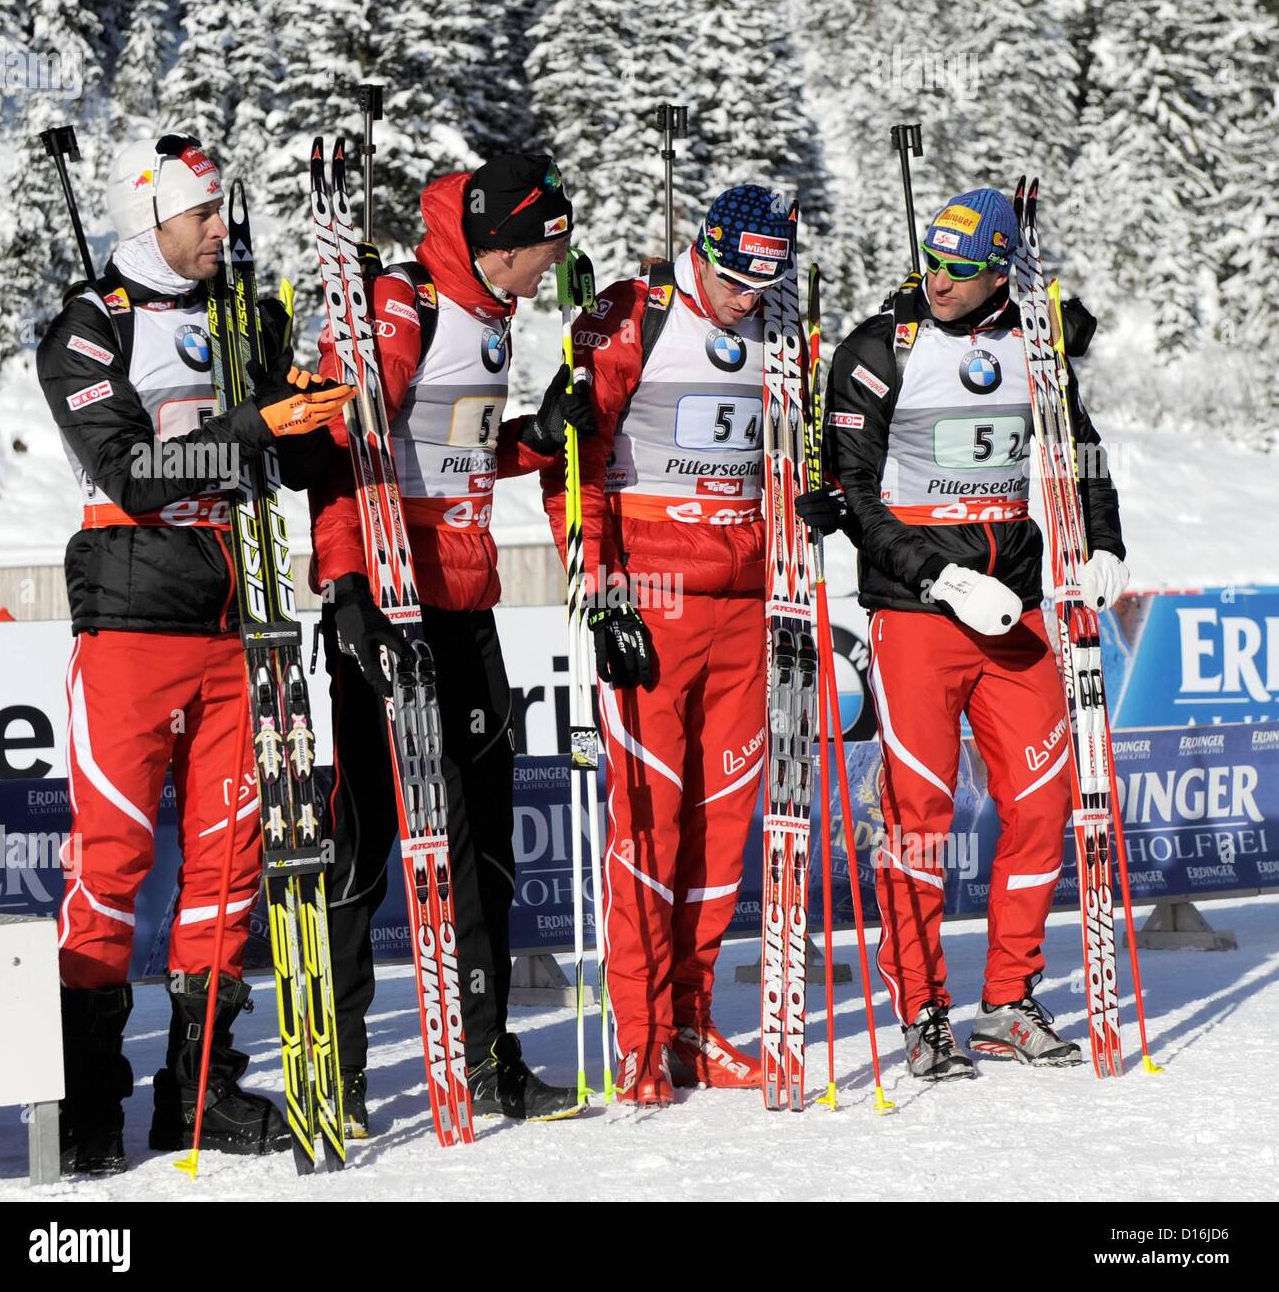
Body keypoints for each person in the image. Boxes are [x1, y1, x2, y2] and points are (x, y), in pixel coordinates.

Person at [36, 134, 353, 1172]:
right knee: (114, 865)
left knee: (227, 869)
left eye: (225, 214)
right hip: (132, 618)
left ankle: (200, 1090)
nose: (223, 231)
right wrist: (259, 424)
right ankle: (86, 1099)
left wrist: (309, 409)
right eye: (203, 216)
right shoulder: (87, 330)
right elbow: (134, 475)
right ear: (151, 220)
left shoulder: (242, 313)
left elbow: (291, 457)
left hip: (240, 620)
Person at [796, 188, 1128, 1079]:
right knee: (921, 819)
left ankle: (1009, 1000)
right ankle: (923, 1006)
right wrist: (938, 575)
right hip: (919, 616)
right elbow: (852, 495)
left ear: (999, 274)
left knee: (1042, 802)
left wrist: (1103, 540)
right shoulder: (880, 349)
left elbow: (1079, 448)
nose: (940, 281)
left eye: (963, 270)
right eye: (933, 262)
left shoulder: (1035, 347)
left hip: (1014, 612)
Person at [307, 152, 591, 1128]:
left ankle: (481, 1052)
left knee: (486, 844)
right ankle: (339, 1067)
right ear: (501, 243)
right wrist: (343, 587)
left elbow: (454, 449)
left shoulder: (488, 316)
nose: (550, 270)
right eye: (545, 250)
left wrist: (537, 435)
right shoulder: (405, 305)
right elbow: (343, 451)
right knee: (370, 842)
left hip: (467, 610)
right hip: (386, 606)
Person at [541, 185, 799, 1104]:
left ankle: (693, 1022)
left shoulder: (783, 329)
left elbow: (782, 462)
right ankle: (640, 1035)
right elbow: (571, 461)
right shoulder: (632, 316)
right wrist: (597, 585)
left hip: (745, 604)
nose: (744, 297)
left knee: (721, 830)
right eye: (732, 277)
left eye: (763, 281)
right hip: (651, 602)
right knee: (648, 823)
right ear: (703, 252)